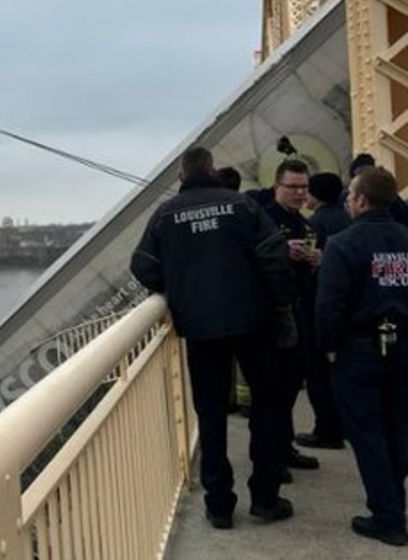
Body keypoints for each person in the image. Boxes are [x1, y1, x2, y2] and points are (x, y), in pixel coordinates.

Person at [131, 146, 295, 527]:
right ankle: (265, 497)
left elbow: (143, 265)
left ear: (181, 176)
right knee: (267, 408)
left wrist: (179, 288)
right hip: (254, 323)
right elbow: (274, 257)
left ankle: (219, 505)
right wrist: (281, 303)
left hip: (200, 329)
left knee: (211, 414)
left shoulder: (166, 214)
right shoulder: (242, 205)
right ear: (214, 170)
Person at [316, 166, 408, 546]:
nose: (348, 201)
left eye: (351, 195)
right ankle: (395, 502)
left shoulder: (341, 245)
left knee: (367, 434)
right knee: (399, 429)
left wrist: (328, 348)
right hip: (404, 348)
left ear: (361, 201)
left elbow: (329, 307)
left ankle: (387, 517)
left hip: (359, 351)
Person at [253, 159, 322, 472]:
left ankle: (285, 447)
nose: (299, 193)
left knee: (290, 386)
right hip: (273, 317)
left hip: (300, 311)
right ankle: (272, 459)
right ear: (276, 187)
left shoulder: (304, 223)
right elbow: (250, 259)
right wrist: (282, 249)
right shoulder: (263, 219)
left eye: (304, 187)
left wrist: (318, 259)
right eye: (292, 187)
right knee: (272, 392)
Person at [289, 172, 347, 450]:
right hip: (347, 309)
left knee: (318, 374)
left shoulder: (313, 224)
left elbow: (308, 261)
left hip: (317, 306)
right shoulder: (348, 218)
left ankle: (326, 430)